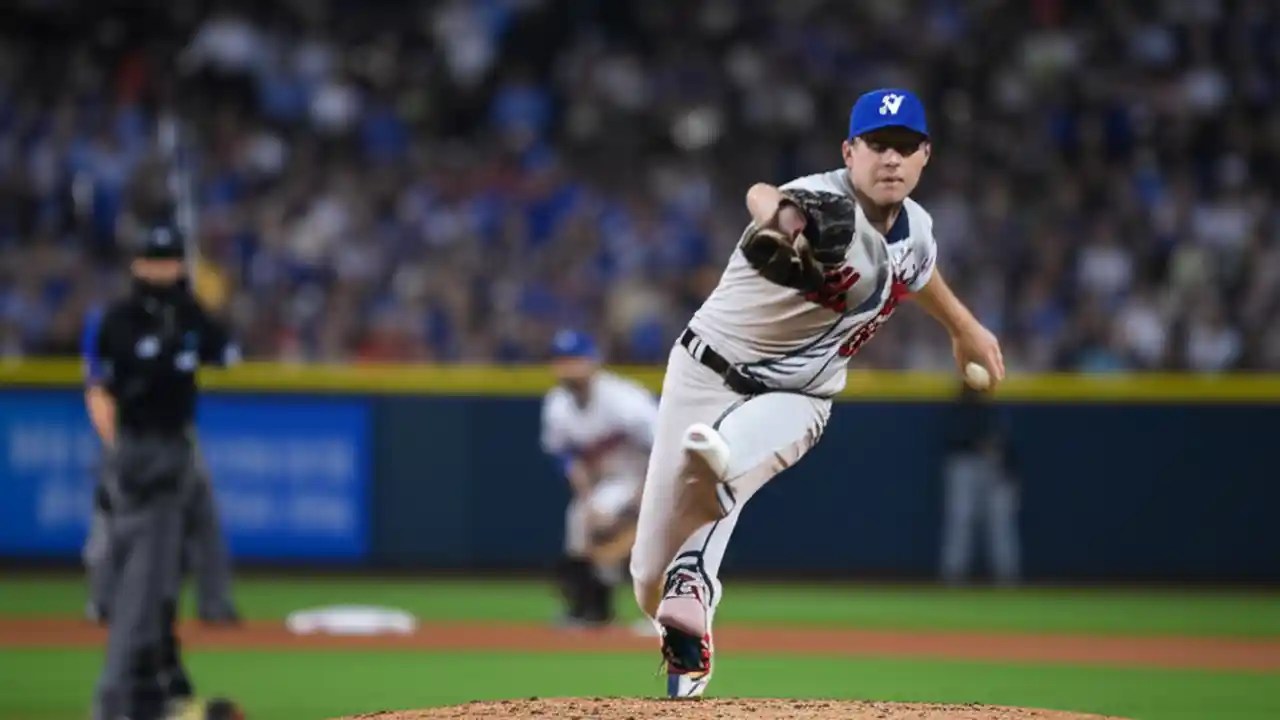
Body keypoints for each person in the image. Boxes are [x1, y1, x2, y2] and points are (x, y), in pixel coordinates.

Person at [628, 88, 1005, 698]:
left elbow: (920, 269)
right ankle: (685, 607)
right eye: (878, 146)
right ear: (849, 151)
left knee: (718, 458)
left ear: (925, 156)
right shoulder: (822, 198)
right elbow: (761, 194)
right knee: (647, 577)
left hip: (800, 395)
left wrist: (964, 328)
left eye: (906, 148)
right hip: (703, 374)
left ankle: (696, 577)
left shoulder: (919, 229)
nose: (891, 159)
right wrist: (782, 221)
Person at [88, 221, 242, 720]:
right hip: (138, 453)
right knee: (140, 583)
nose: (161, 269)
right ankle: (124, 696)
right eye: (153, 260)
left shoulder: (186, 310)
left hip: (178, 448)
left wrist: (200, 316)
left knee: (168, 573)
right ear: (137, 265)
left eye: (169, 260)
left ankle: (167, 680)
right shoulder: (121, 319)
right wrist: (175, 347)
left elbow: (229, 355)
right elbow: (118, 380)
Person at [82, 311, 241, 628]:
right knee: (115, 523)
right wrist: (115, 442)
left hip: (177, 436)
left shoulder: (180, 318)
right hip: (129, 435)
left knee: (204, 516)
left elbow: (225, 354)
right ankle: (105, 603)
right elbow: (97, 387)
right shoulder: (112, 321)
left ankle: (214, 604)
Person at [541, 330, 658, 629]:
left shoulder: (625, 399)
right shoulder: (557, 405)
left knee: (636, 536)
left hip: (643, 478)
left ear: (593, 361)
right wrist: (585, 498)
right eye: (562, 360)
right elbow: (565, 458)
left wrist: (641, 500)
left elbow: (664, 449)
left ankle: (673, 613)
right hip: (604, 483)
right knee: (581, 520)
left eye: (575, 359)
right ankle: (591, 609)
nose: (568, 367)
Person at [940, 383, 1021, 586]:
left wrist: (1009, 469)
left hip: (994, 464)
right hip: (964, 462)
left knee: (999, 521)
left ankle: (1007, 576)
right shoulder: (959, 406)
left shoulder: (996, 406)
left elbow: (1008, 443)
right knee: (961, 517)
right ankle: (954, 575)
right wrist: (976, 441)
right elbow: (951, 436)